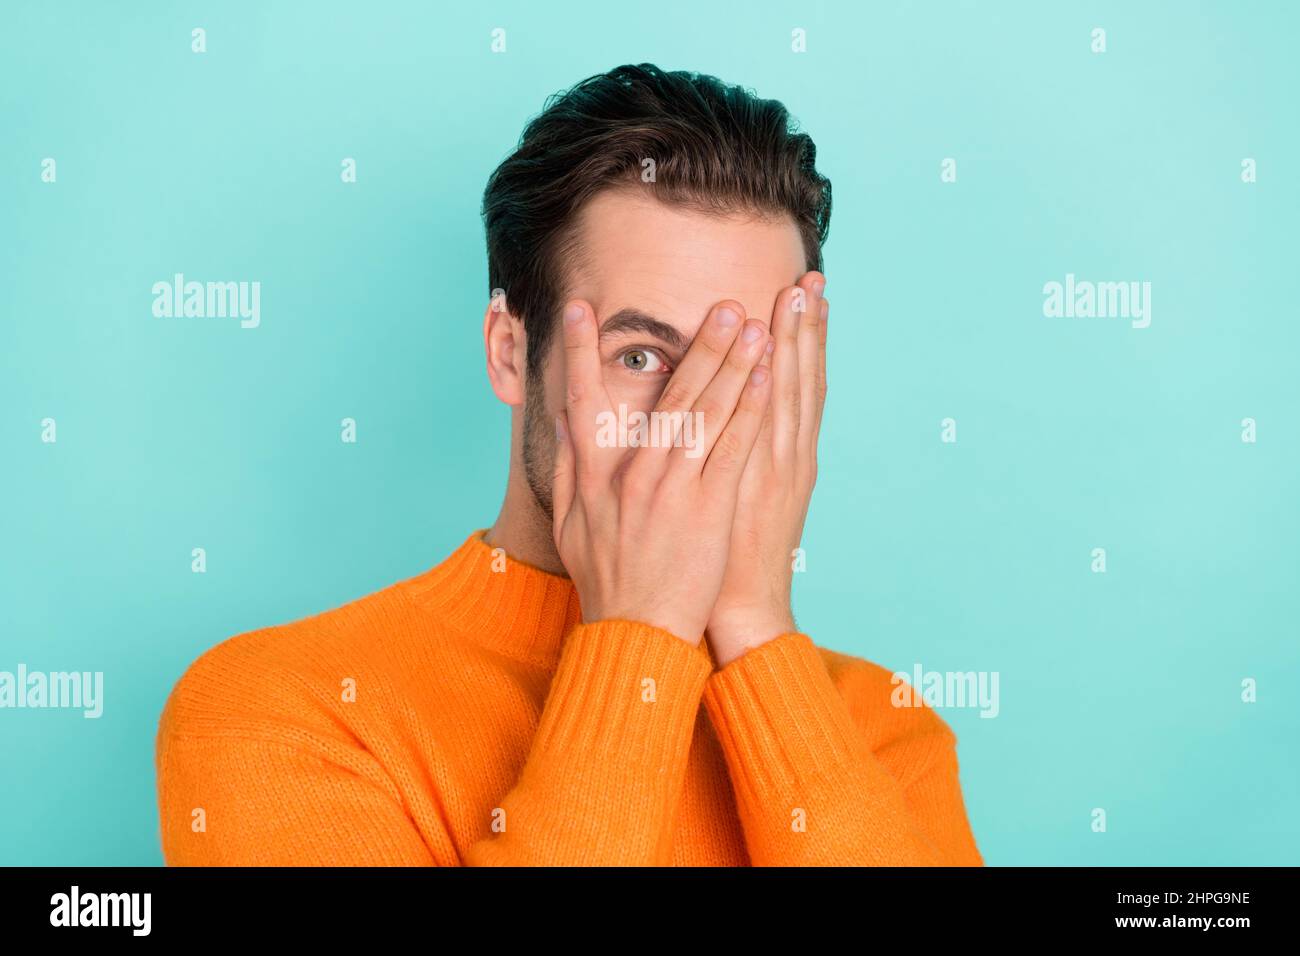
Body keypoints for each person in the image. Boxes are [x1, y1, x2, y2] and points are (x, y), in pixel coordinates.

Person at [155, 63, 983, 866]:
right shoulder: (280, 710)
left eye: (747, 368)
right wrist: (640, 638)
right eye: (640, 357)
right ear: (511, 351)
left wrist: (759, 638)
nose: (693, 426)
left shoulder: (879, 730)